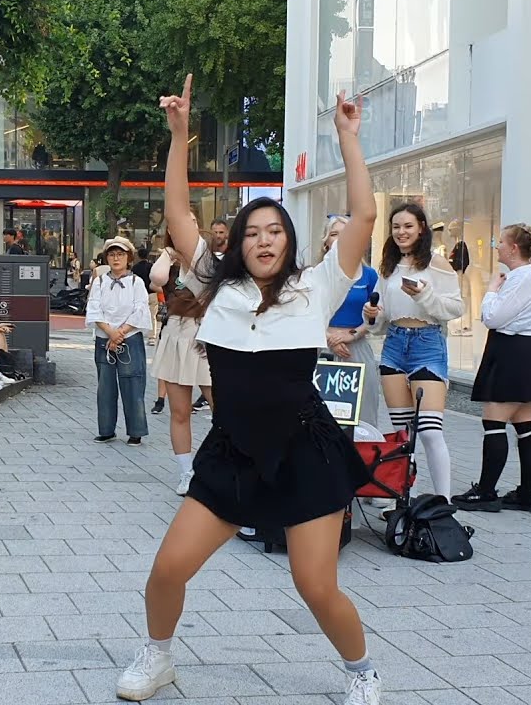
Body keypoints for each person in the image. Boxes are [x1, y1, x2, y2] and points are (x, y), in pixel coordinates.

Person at [114, 76, 382, 705]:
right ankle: (157, 657)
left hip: (306, 448)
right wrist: (179, 136)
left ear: (288, 243)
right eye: (252, 231)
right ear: (237, 242)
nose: (263, 240)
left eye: (275, 231)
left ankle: (362, 670)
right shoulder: (217, 288)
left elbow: (364, 215)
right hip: (232, 451)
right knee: (167, 569)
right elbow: (179, 215)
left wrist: (348, 136)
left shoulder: (317, 288)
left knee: (314, 584)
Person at [454, 223, 531, 514]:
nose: (496, 245)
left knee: (494, 422)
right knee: (526, 425)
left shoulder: (521, 278)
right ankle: (527, 495)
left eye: (500, 241)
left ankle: (486, 492)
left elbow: (494, 317)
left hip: (515, 353)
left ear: (514, 248)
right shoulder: (530, 277)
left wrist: (490, 291)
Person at [363, 203, 463, 500]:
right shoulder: (389, 268)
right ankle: (406, 499)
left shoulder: (437, 264)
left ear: (421, 227)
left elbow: (455, 308)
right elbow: (379, 322)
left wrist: (425, 295)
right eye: (395, 226)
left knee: (430, 431)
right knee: (404, 434)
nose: (401, 232)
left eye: (407, 226)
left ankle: (442, 504)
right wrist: (371, 314)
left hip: (428, 344)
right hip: (393, 345)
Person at [149, 229, 213, 494]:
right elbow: (157, 278)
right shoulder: (169, 262)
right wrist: (167, 252)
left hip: (208, 333)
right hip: (176, 333)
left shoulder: (209, 257)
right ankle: (186, 472)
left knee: (224, 411)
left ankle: (218, 466)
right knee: (179, 411)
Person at [85, 236, 151, 446]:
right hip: (105, 338)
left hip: (129, 337)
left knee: (132, 383)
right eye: (112, 254)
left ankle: (136, 431)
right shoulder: (100, 281)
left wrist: (120, 332)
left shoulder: (136, 282)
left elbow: (140, 309)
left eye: (120, 254)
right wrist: (110, 333)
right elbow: (94, 308)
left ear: (128, 258)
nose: (116, 258)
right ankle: (106, 429)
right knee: (105, 386)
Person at [322, 216, 385, 431]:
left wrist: (353, 334)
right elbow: (305, 313)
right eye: (334, 234)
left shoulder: (369, 275)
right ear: (326, 242)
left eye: (346, 234)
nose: (340, 239)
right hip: (321, 349)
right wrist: (330, 337)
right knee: (321, 413)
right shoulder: (315, 275)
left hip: (356, 349)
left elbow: (378, 314)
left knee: (362, 415)